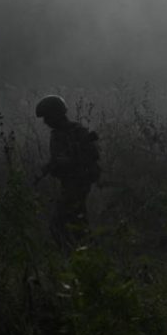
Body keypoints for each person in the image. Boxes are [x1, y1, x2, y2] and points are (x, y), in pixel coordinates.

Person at [36, 95, 101, 250]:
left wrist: (72, 159)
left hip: (78, 184)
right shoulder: (57, 134)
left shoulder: (77, 132)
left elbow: (93, 156)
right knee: (75, 223)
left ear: (57, 114)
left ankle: (78, 255)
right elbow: (57, 159)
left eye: (47, 117)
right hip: (68, 184)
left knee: (61, 224)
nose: (45, 122)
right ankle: (83, 253)